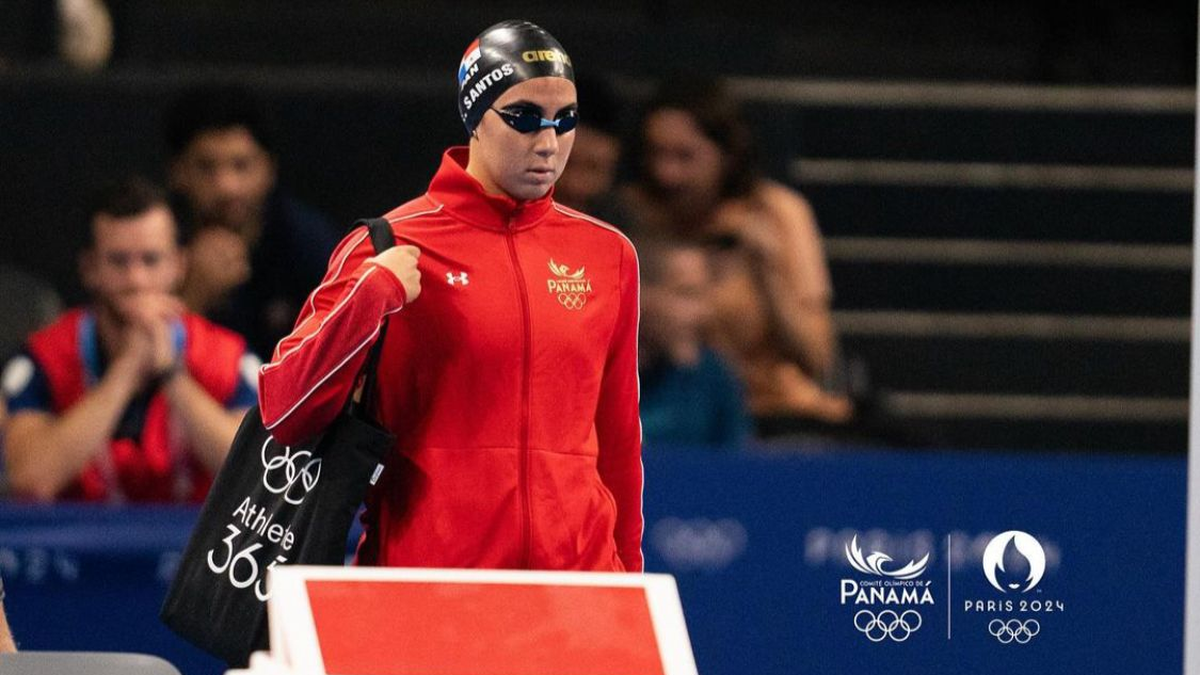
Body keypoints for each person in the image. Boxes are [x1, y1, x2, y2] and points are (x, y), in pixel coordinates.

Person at [259, 20, 643, 572]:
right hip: (430, 584)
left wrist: (629, 588)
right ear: (475, 121)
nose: (549, 143)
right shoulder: (387, 245)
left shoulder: (609, 254)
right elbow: (283, 412)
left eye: (565, 122)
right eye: (524, 118)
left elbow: (619, 445)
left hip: (578, 589)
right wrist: (368, 300)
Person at [1, 178, 259, 503]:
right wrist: (125, 371)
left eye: (151, 260)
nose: (136, 280)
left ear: (178, 266)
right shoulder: (43, 358)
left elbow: (258, 479)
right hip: (79, 548)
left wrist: (172, 376)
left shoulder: (229, 358)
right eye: (119, 261)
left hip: (205, 551)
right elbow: (30, 482)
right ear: (89, 268)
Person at [622, 76, 853, 429]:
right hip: (670, 418)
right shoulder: (634, 216)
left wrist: (769, 270)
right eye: (656, 153)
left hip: (772, 414)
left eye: (685, 156)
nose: (666, 173)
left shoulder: (777, 213)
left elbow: (817, 356)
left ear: (727, 155)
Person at [165, 86, 340, 359]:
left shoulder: (308, 243)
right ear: (178, 172)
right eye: (206, 167)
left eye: (241, 165)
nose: (226, 187)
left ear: (269, 169)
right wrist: (193, 297)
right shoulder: (155, 241)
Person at [637, 239, 750, 449]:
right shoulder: (591, 377)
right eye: (686, 294)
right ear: (638, 293)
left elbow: (737, 469)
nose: (703, 313)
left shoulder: (714, 377)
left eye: (703, 296)